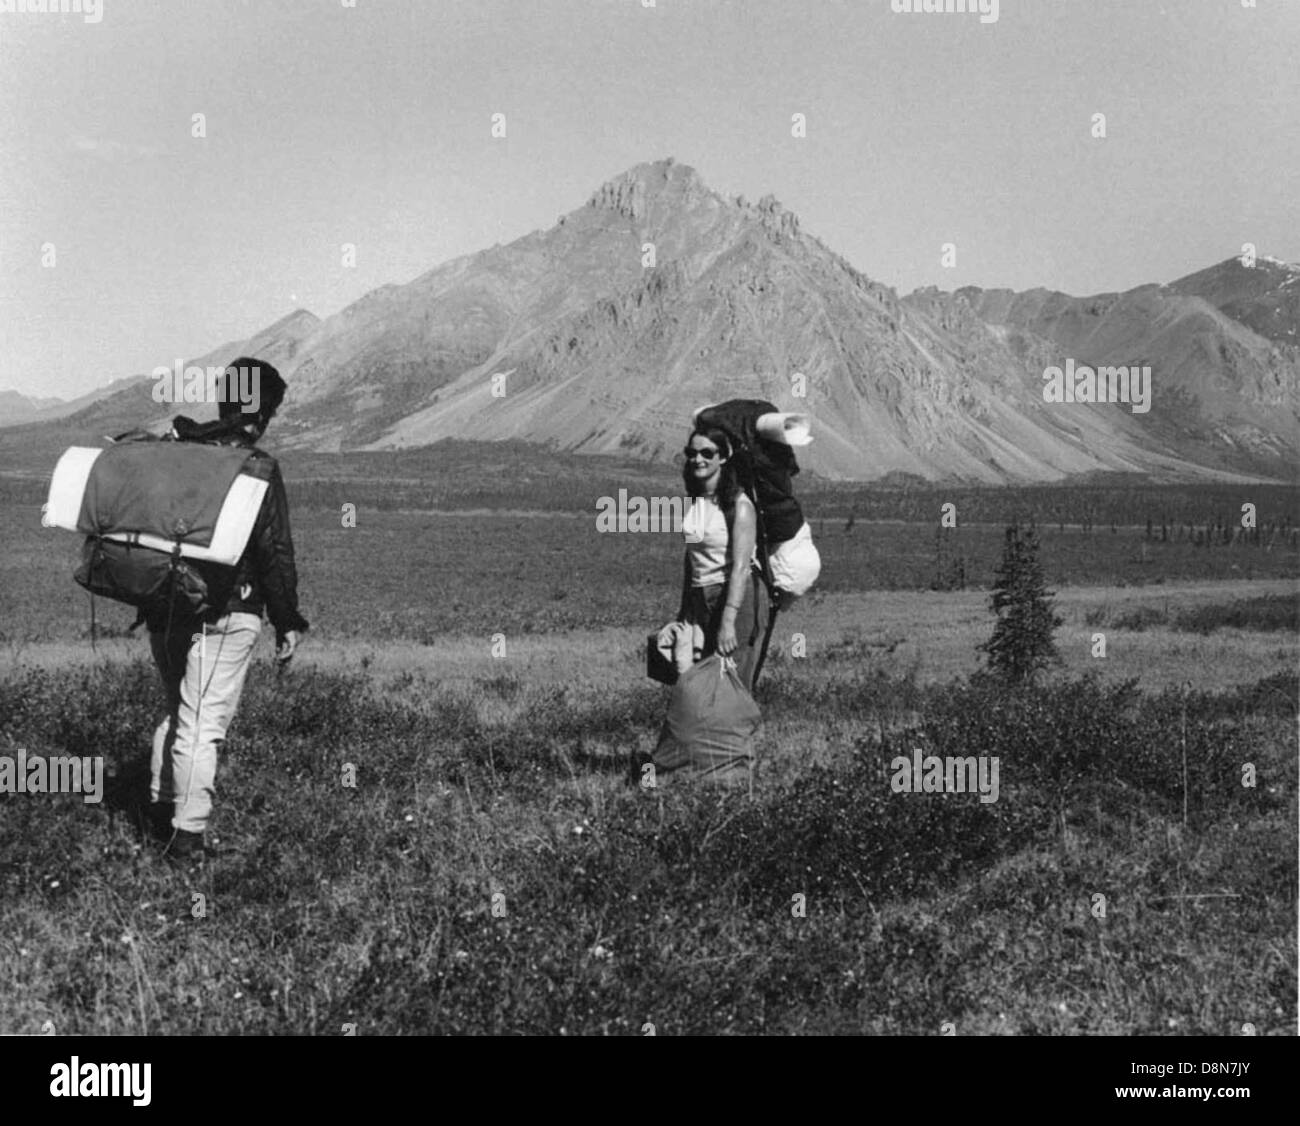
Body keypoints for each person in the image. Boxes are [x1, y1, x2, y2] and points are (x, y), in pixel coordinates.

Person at [145, 357, 308, 863]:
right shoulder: (256, 466)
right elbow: (273, 553)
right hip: (226, 612)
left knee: (179, 711)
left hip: (166, 605)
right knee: (203, 724)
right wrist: (287, 619)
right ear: (261, 413)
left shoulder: (179, 450)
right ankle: (186, 839)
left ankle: (160, 810)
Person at [674, 425, 771, 692]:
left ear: (724, 457)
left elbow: (741, 568)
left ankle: (741, 734)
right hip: (701, 596)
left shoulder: (739, 506)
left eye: (707, 452)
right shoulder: (697, 502)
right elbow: (691, 557)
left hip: (736, 598)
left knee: (733, 684)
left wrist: (728, 621)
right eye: (691, 453)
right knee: (704, 682)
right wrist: (685, 610)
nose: (698, 459)